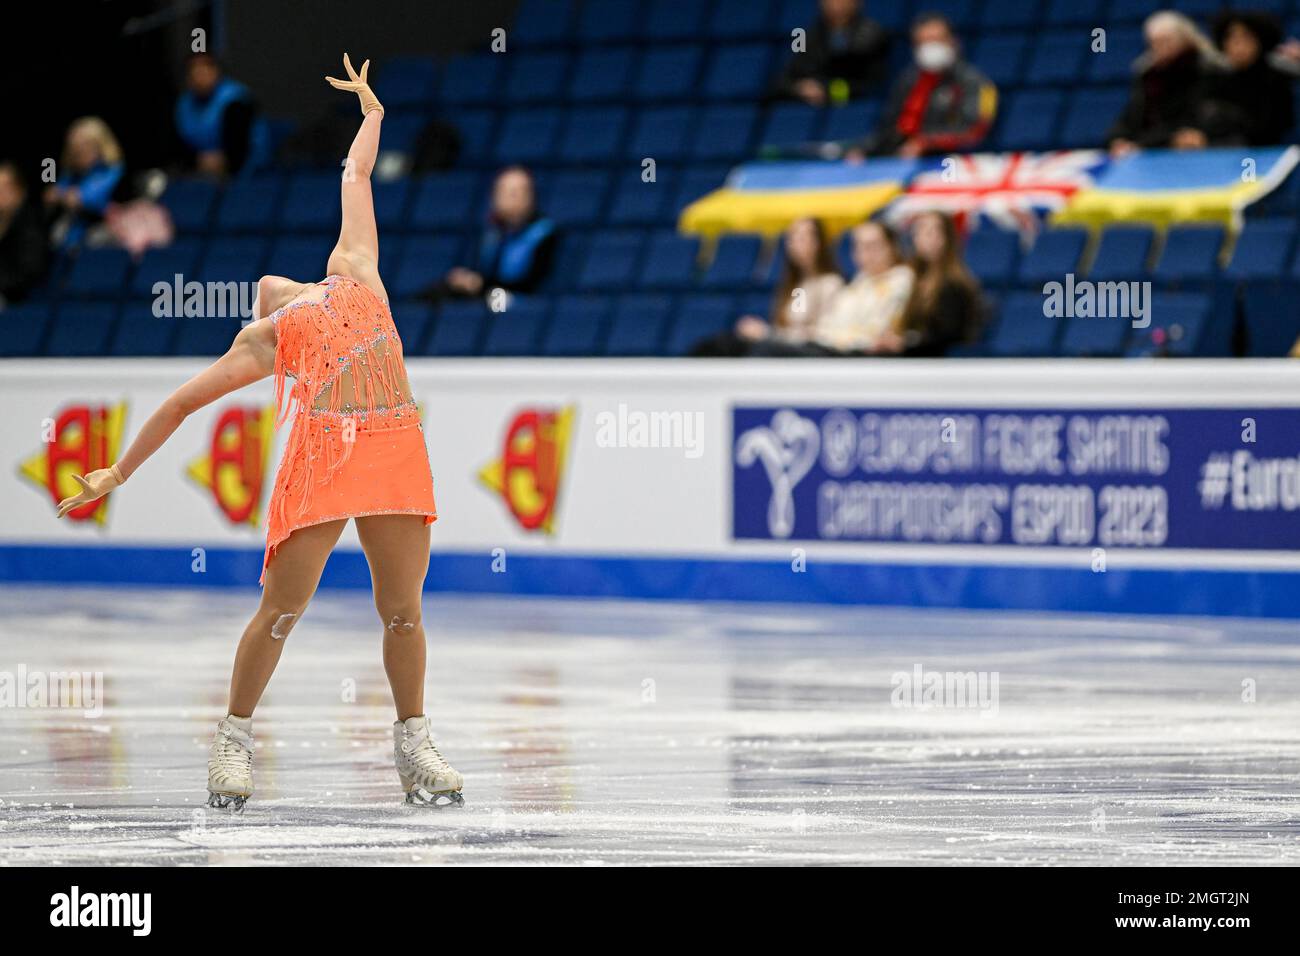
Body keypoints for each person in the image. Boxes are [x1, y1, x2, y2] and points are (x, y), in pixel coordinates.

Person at [54, 56, 464, 812]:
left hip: (394, 449)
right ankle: (234, 740)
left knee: (403, 609)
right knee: (281, 609)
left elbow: (357, 176)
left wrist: (372, 114)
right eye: (264, 291)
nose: (272, 282)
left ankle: (414, 743)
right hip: (325, 460)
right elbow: (180, 406)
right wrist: (118, 471)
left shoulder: (356, 267)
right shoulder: (267, 343)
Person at [749, 219, 914, 356]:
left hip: (848, 353)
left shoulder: (831, 283)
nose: (863, 254)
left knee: (767, 350)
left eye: (871, 246)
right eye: (792, 238)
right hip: (822, 344)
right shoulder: (858, 281)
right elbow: (825, 325)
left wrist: (770, 334)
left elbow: (873, 334)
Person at [850, 12, 996, 159]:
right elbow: (889, 129)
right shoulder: (907, 81)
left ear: (953, 41)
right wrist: (865, 151)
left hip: (949, 162)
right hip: (900, 161)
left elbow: (975, 130)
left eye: (936, 40)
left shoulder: (975, 82)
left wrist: (926, 143)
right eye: (923, 42)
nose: (930, 48)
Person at [693, 217, 844, 356]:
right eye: (792, 237)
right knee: (720, 344)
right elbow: (790, 327)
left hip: (809, 351)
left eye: (803, 237)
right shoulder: (796, 285)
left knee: (762, 349)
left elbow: (823, 335)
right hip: (785, 344)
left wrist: (767, 333)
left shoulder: (830, 283)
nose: (795, 243)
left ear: (819, 242)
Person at [1106, 11, 1228, 157]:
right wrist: (1118, 138)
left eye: (1165, 41)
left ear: (1184, 39)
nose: (1159, 47)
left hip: (1196, 150)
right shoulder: (1147, 74)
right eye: (1154, 42)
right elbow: (1132, 113)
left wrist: (1147, 143)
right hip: (1150, 150)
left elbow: (1200, 116)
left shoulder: (1207, 70)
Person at [434, 165, 557, 299]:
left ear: (530, 196)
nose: (504, 199)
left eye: (513, 193)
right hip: (486, 297)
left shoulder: (544, 233)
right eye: (500, 191)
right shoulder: (490, 233)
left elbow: (533, 286)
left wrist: (480, 285)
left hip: (514, 302)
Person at [1198, 11, 1296, 146]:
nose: (1238, 45)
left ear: (1260, 41)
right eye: (1231, 38)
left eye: (1246, 38)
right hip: (1219, 153)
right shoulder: (1213, 78)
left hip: (1264, 153)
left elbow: (1271, 128)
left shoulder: (1276, 79)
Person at [893, 211, 982, 356]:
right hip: (915, 357)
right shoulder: (910, 278)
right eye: (920, 231)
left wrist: (907, 340)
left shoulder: (955, 283)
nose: (927, 238)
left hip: (941, 363)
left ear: (948, 237)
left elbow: (948, 334)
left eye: (935, 231)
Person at [775, 0, 891, 105]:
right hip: (808, 108)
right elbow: (784, 79)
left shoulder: (872, 35)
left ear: (857, 3)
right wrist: (799, 88)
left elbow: (871, 85)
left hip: (853, 109)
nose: (835, 4)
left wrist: (827, 90)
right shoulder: (805, 36)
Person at [175, 51, 268, 177]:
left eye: (206, 69)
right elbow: (178, 146)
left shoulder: (236, 100)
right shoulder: (183, 104)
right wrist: (197, 160)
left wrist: (222, 161)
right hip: (198, 173)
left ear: (216, 71)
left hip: (246, 173)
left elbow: (240, 149)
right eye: (194, 71)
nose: (200, 76)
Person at [44, 117, 125, 250]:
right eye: (74, 149)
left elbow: (82, 199)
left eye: (85, 146)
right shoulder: (71, 174)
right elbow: (53, 194)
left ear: (100, 145)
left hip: (106, 231)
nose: (79, 153)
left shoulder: (112, 170)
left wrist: (65, 196)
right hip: (72, 234)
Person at [0, 161, 50, 306]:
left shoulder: (31, 225)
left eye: (5, 188)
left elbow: (30, 271)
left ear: (20, 191)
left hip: (18, 298)